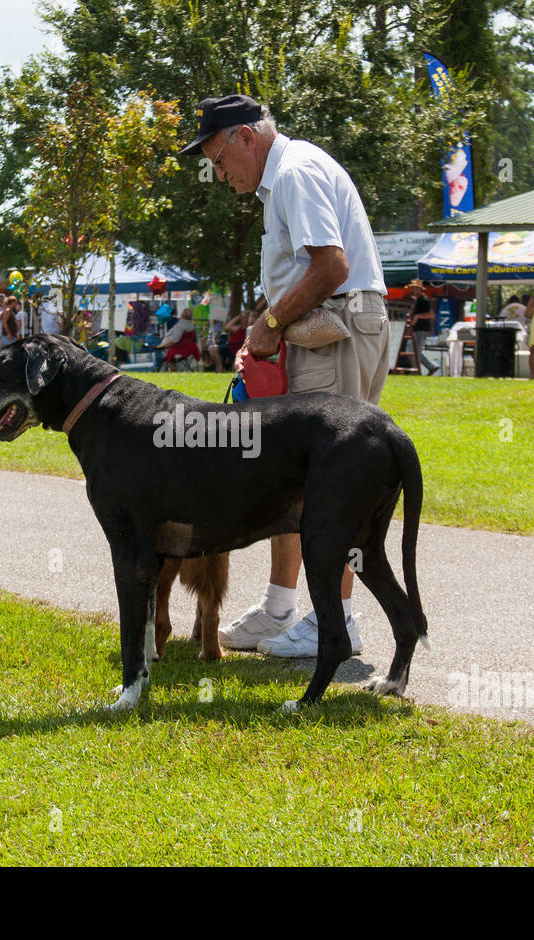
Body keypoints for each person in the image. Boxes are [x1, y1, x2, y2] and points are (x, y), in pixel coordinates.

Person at [183, 93, 390, 659]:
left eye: (220, 160)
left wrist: (271, 322)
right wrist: (267, 325)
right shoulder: (284, 177)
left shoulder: (295, 173)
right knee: (292, 476)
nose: (219, 174)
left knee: (332, 479)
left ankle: (335, 623)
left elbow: (332, 266)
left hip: (338, 329)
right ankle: (281, 609)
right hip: (322, 330)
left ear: (246, 137)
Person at [407, 280, 441, 375]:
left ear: (419, 289)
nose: (412, 290)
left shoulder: (424, 300)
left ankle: (416, 371)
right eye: (412, 288)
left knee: (415, 351)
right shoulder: (418, 300)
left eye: (415, 288)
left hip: (422, 329)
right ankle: (431, 366)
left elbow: (431, 315)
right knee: (413, 350)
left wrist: (417, 317)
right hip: (416, 329)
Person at [153, 307, 196, 371]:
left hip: (173, 348)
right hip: (185, 348)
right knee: (156, 346)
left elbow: (175, 340)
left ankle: (158, 367)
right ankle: (161, 366)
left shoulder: (178, 326)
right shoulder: (191, 326)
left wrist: (161, 345)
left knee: (153, 343)